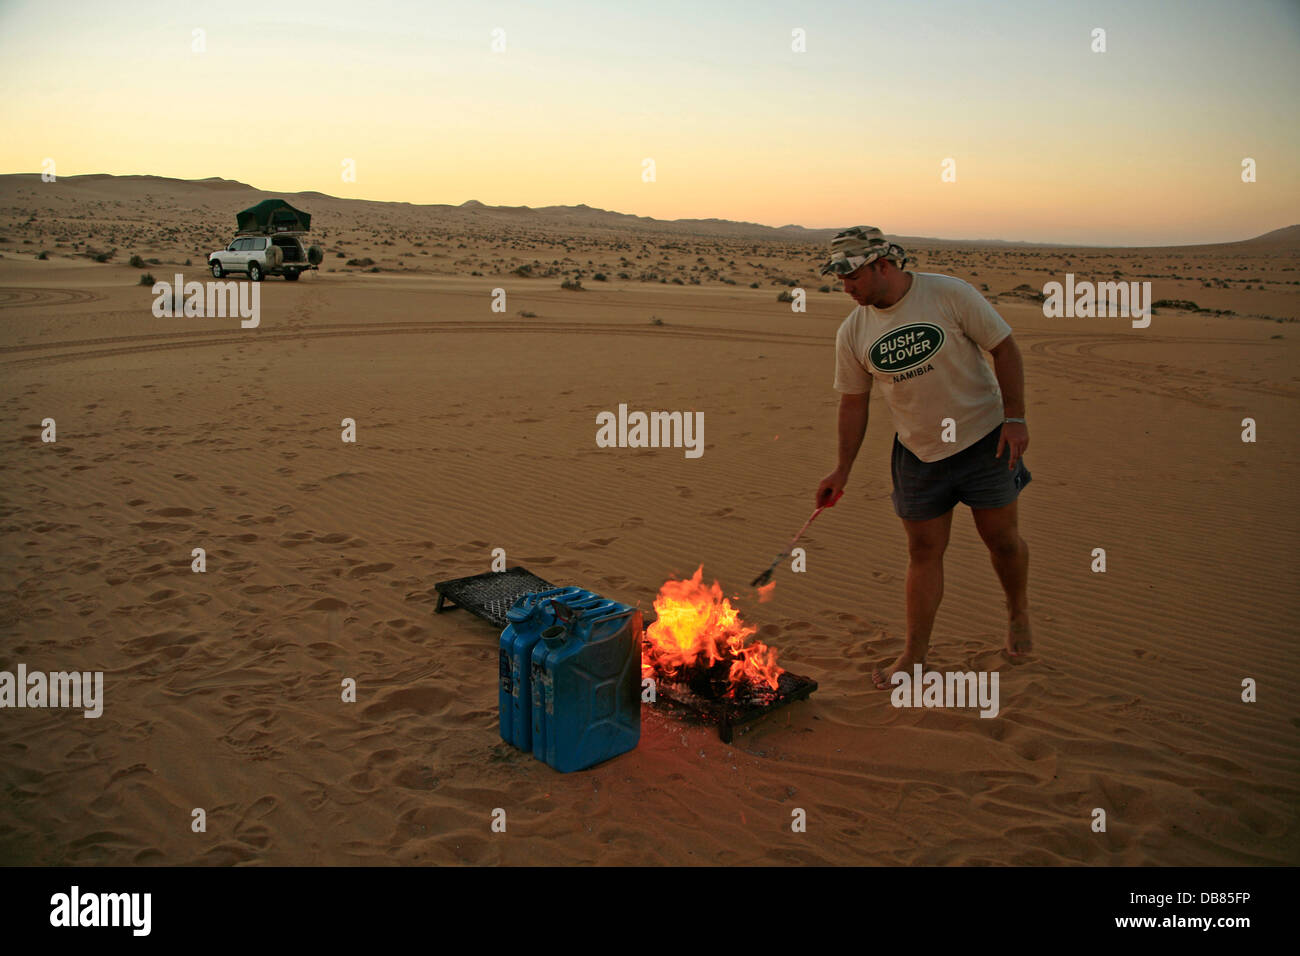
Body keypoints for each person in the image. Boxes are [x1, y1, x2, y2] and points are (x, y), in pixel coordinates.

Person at [812, 227, 1033, 688]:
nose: (845, 286)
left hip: (984, 439)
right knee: (924, 551)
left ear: (882, 266)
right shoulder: (853, 331)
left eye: (851, 275)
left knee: (1002, 541)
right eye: (839, 278)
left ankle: (1017, 613)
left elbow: (1003, 347)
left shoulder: (949, 294)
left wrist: (1015, 418)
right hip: (917, 452)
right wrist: (842, 469)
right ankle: (914, 657)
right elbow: (854, 401)